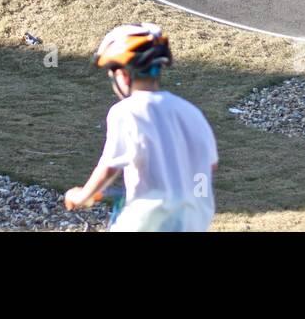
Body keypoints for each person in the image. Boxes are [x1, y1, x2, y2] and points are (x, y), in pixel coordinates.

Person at [65, 23, 218, 232]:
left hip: (147, 220)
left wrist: (82, 196)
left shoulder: (126, 111)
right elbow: (210, 164)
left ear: (123, 75)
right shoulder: (191, 112)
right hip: (194, 220)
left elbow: (109, 167)